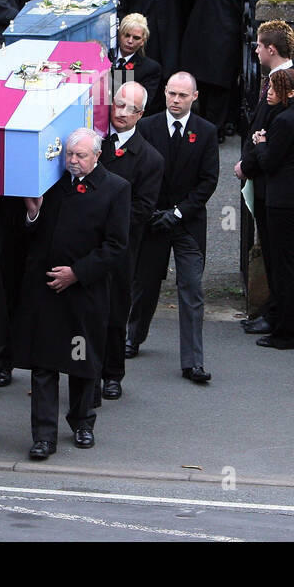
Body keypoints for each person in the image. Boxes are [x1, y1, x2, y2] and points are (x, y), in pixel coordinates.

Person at [16, 129, 130, 458]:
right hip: (48, 290)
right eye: (69, 154)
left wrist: (77, 273)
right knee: (44, 365)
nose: (72, 161)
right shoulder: (52, 184)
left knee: (81, 361)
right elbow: (33, 235)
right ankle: (43, 436)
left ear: (97, 156)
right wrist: (33, 213)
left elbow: (116, 246)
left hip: (84, 292)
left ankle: (82, 422)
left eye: (80, 156)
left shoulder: (115, 189)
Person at [129, 72, 219, 383]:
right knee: (145, 283)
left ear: (194, 97)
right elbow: (138, 173)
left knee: (191, 289)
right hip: (154, 220)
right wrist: (153, 212)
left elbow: (208, 181)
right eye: (171, 94)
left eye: (182, 95)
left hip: (187, 223)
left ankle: (193, 361)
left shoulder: (206, 132)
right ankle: (133, 336)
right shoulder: (147, 127)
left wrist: (179, 213)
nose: (175, 100)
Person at [97, 83, 163, 401]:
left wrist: (101, 225)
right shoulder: (93, 142)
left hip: (119, 248)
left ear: (141, 114)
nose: (122, 112)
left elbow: (141, 211)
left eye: (130, 108)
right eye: (118, 104)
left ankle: (112, 374)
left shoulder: (149, 158)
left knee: (114, 312)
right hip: (81, 243)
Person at [249, 67, 294, 348]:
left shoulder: (285, 120)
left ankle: (288, 332)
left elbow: (270, 162)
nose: (268, 94)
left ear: (289, 93)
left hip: (283, 198)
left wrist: (261, 143)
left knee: (284, 266)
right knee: (292, 265)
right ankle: (290, 326)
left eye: (274, 90)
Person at [238, 20, 294, 338]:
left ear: (271, 49)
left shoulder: (282, 86)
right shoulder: (271, 81)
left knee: (277, 254)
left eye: (259, 46)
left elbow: (269, 136)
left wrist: (248, 165)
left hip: (272, 185)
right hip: (264, 181)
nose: (256, 50)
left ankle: (278, 315)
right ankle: (274, 311)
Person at [179, 0, 244, 131]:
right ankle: (206, 124)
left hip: (226, 31)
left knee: (221, 82)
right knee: (203, 80)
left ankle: (216, 127)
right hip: (203, 29)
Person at [109, 13, 162, 107]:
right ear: (119, 35)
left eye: (136, 38)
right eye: (126, 35)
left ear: (142, 41)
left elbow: (142, 103)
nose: (130, 41)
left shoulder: (150, 68)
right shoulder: (105, 56)